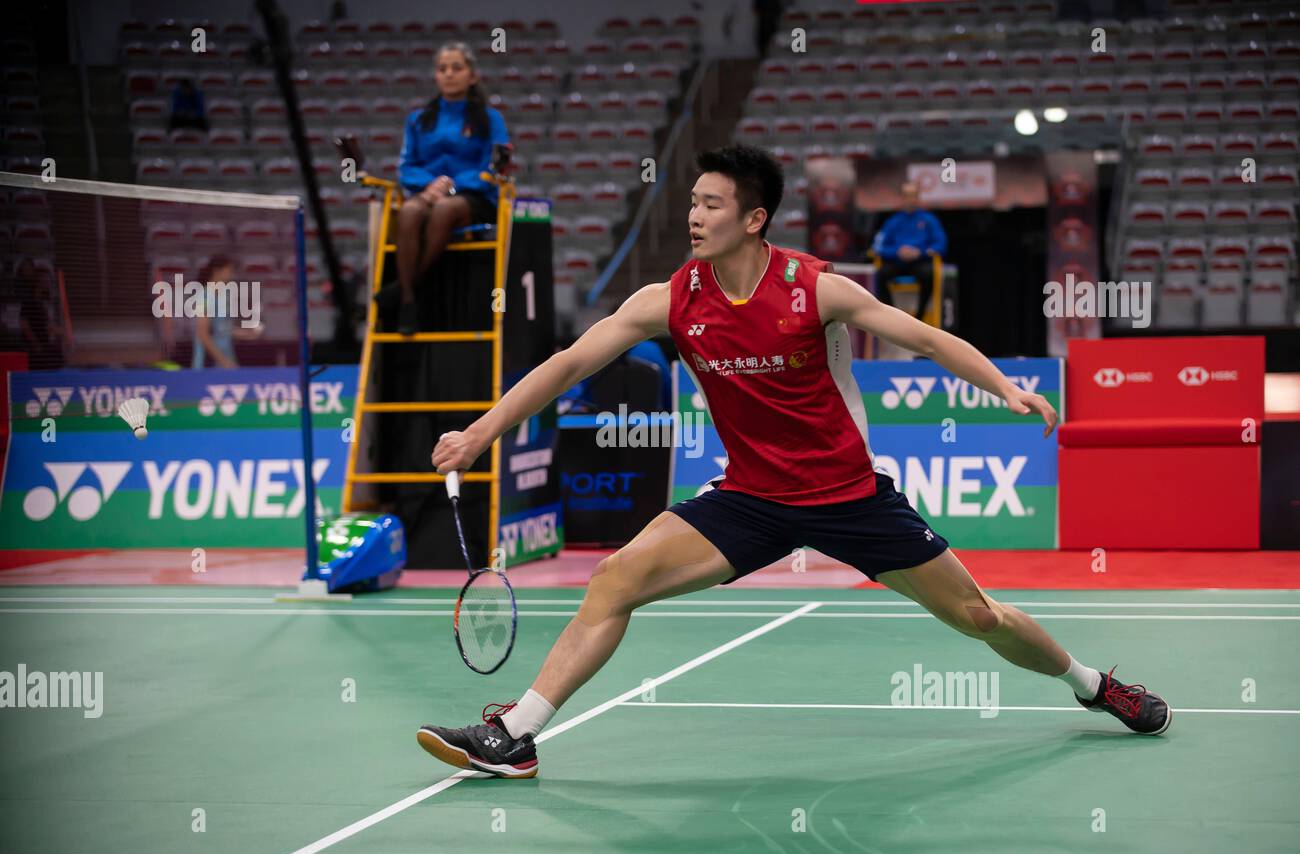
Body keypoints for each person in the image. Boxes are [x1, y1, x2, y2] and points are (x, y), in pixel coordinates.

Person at [419, 145, 1170, 779]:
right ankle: (516, 734)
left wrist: (1005, 386)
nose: (694, 216)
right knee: (616, 579)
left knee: (980, 616)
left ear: (754, 219)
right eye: (691, 202)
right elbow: (568, 363)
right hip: (750, 498)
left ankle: (1093, 685)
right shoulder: (672, 299)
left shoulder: (814, 290)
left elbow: (928, 339)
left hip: (850, 495)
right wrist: (484, 430)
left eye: (712, 205)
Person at [383, 41, 510, 335]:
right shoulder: (417, 119)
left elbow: (495, 165)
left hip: (474, 198)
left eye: (457, 67)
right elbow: (406, 167)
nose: (449, 74)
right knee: (410, 211)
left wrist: (452, 184)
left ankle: (403, 287)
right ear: (436, 76)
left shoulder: (490, 118)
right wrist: (429, 185)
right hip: (428, 193)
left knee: (444, 208)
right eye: (442, 69)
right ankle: (408, 301)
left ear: (472, 75)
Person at [870, 180, 947, 321]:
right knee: (880, 274)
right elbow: (878, 247)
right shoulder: (892, 221)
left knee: (928, 274)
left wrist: (920, 252)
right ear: (902, 198)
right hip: (897, 262)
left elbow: (940, 244)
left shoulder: (929, 220)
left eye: (913, 195)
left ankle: (919, 317)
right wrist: (896, 252)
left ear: (918, 197)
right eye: (906, 195)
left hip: (919, 262)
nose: (910, 199)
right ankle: (893, 316)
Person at [191, 255, 262, 369]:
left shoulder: (226, 296)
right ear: (217, 271)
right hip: (209, 363)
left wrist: (248, 334)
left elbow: (223, 328)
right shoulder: (203, 297)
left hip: (227, 359)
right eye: (229, 270)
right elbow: (202, 333)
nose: (232, 274)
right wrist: (223, 361)